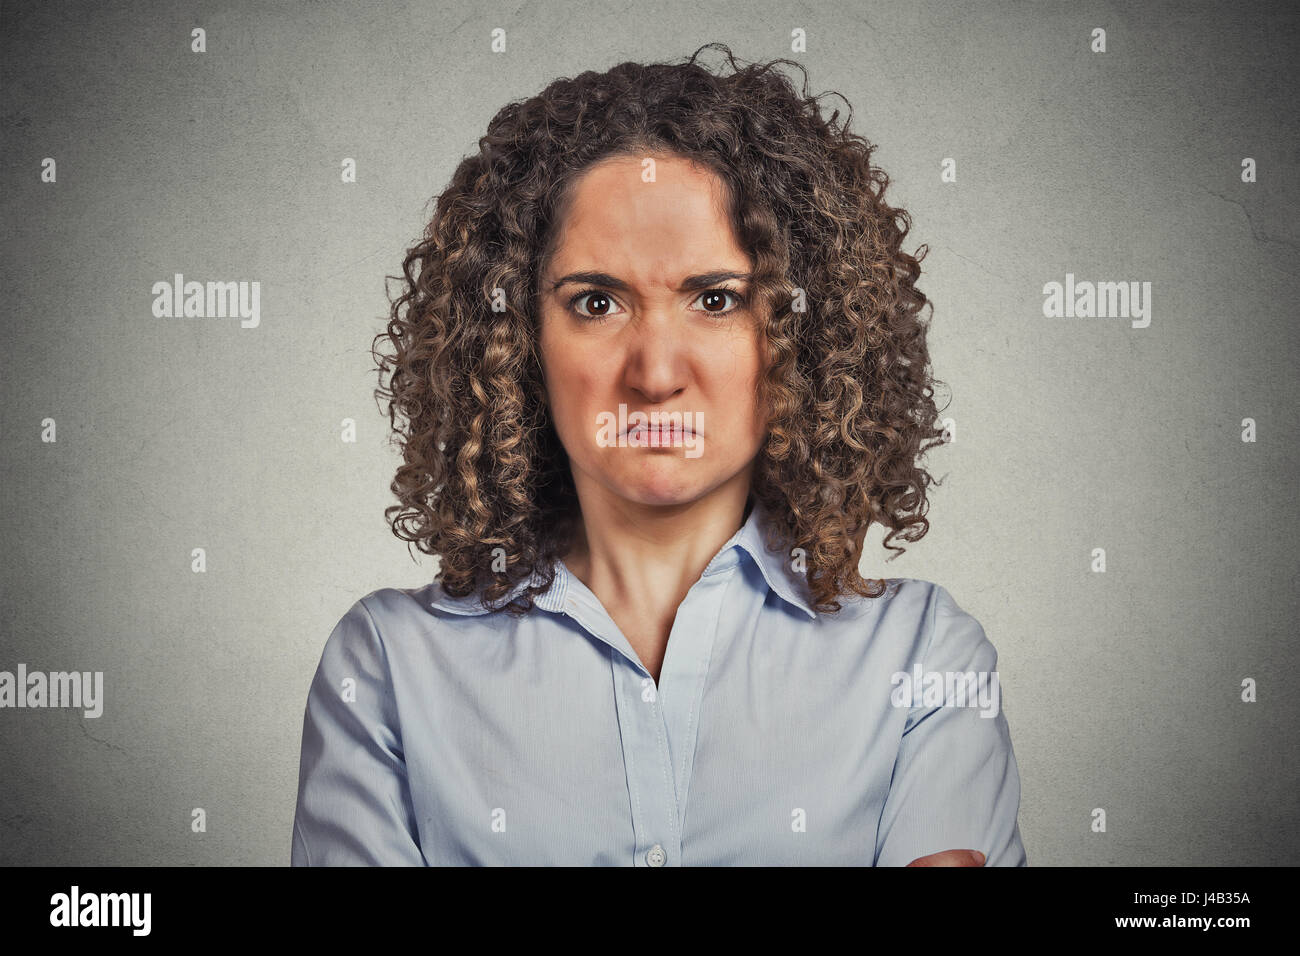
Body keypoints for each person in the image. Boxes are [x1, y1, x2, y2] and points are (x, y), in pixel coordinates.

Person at [291, 43, 1027, 866]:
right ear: (514, 340)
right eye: (597, 302)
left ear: (801, 335)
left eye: (716, 300)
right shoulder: (387, 670)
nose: (655, 373)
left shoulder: (924, 659)